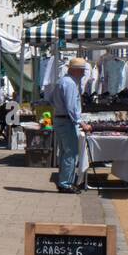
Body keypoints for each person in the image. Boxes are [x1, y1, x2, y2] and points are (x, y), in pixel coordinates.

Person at [49, 57, 92, 193]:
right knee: (71, 153)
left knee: (64, 152)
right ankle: (66, 183)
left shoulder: (63, 81)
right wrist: (80, 122)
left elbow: (50, 99)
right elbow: (71, 106)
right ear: (74, 70)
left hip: (60, 119)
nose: (84, 73)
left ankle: (63, 181)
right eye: (82, 71)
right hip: (66, 121)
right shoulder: (70, 84)